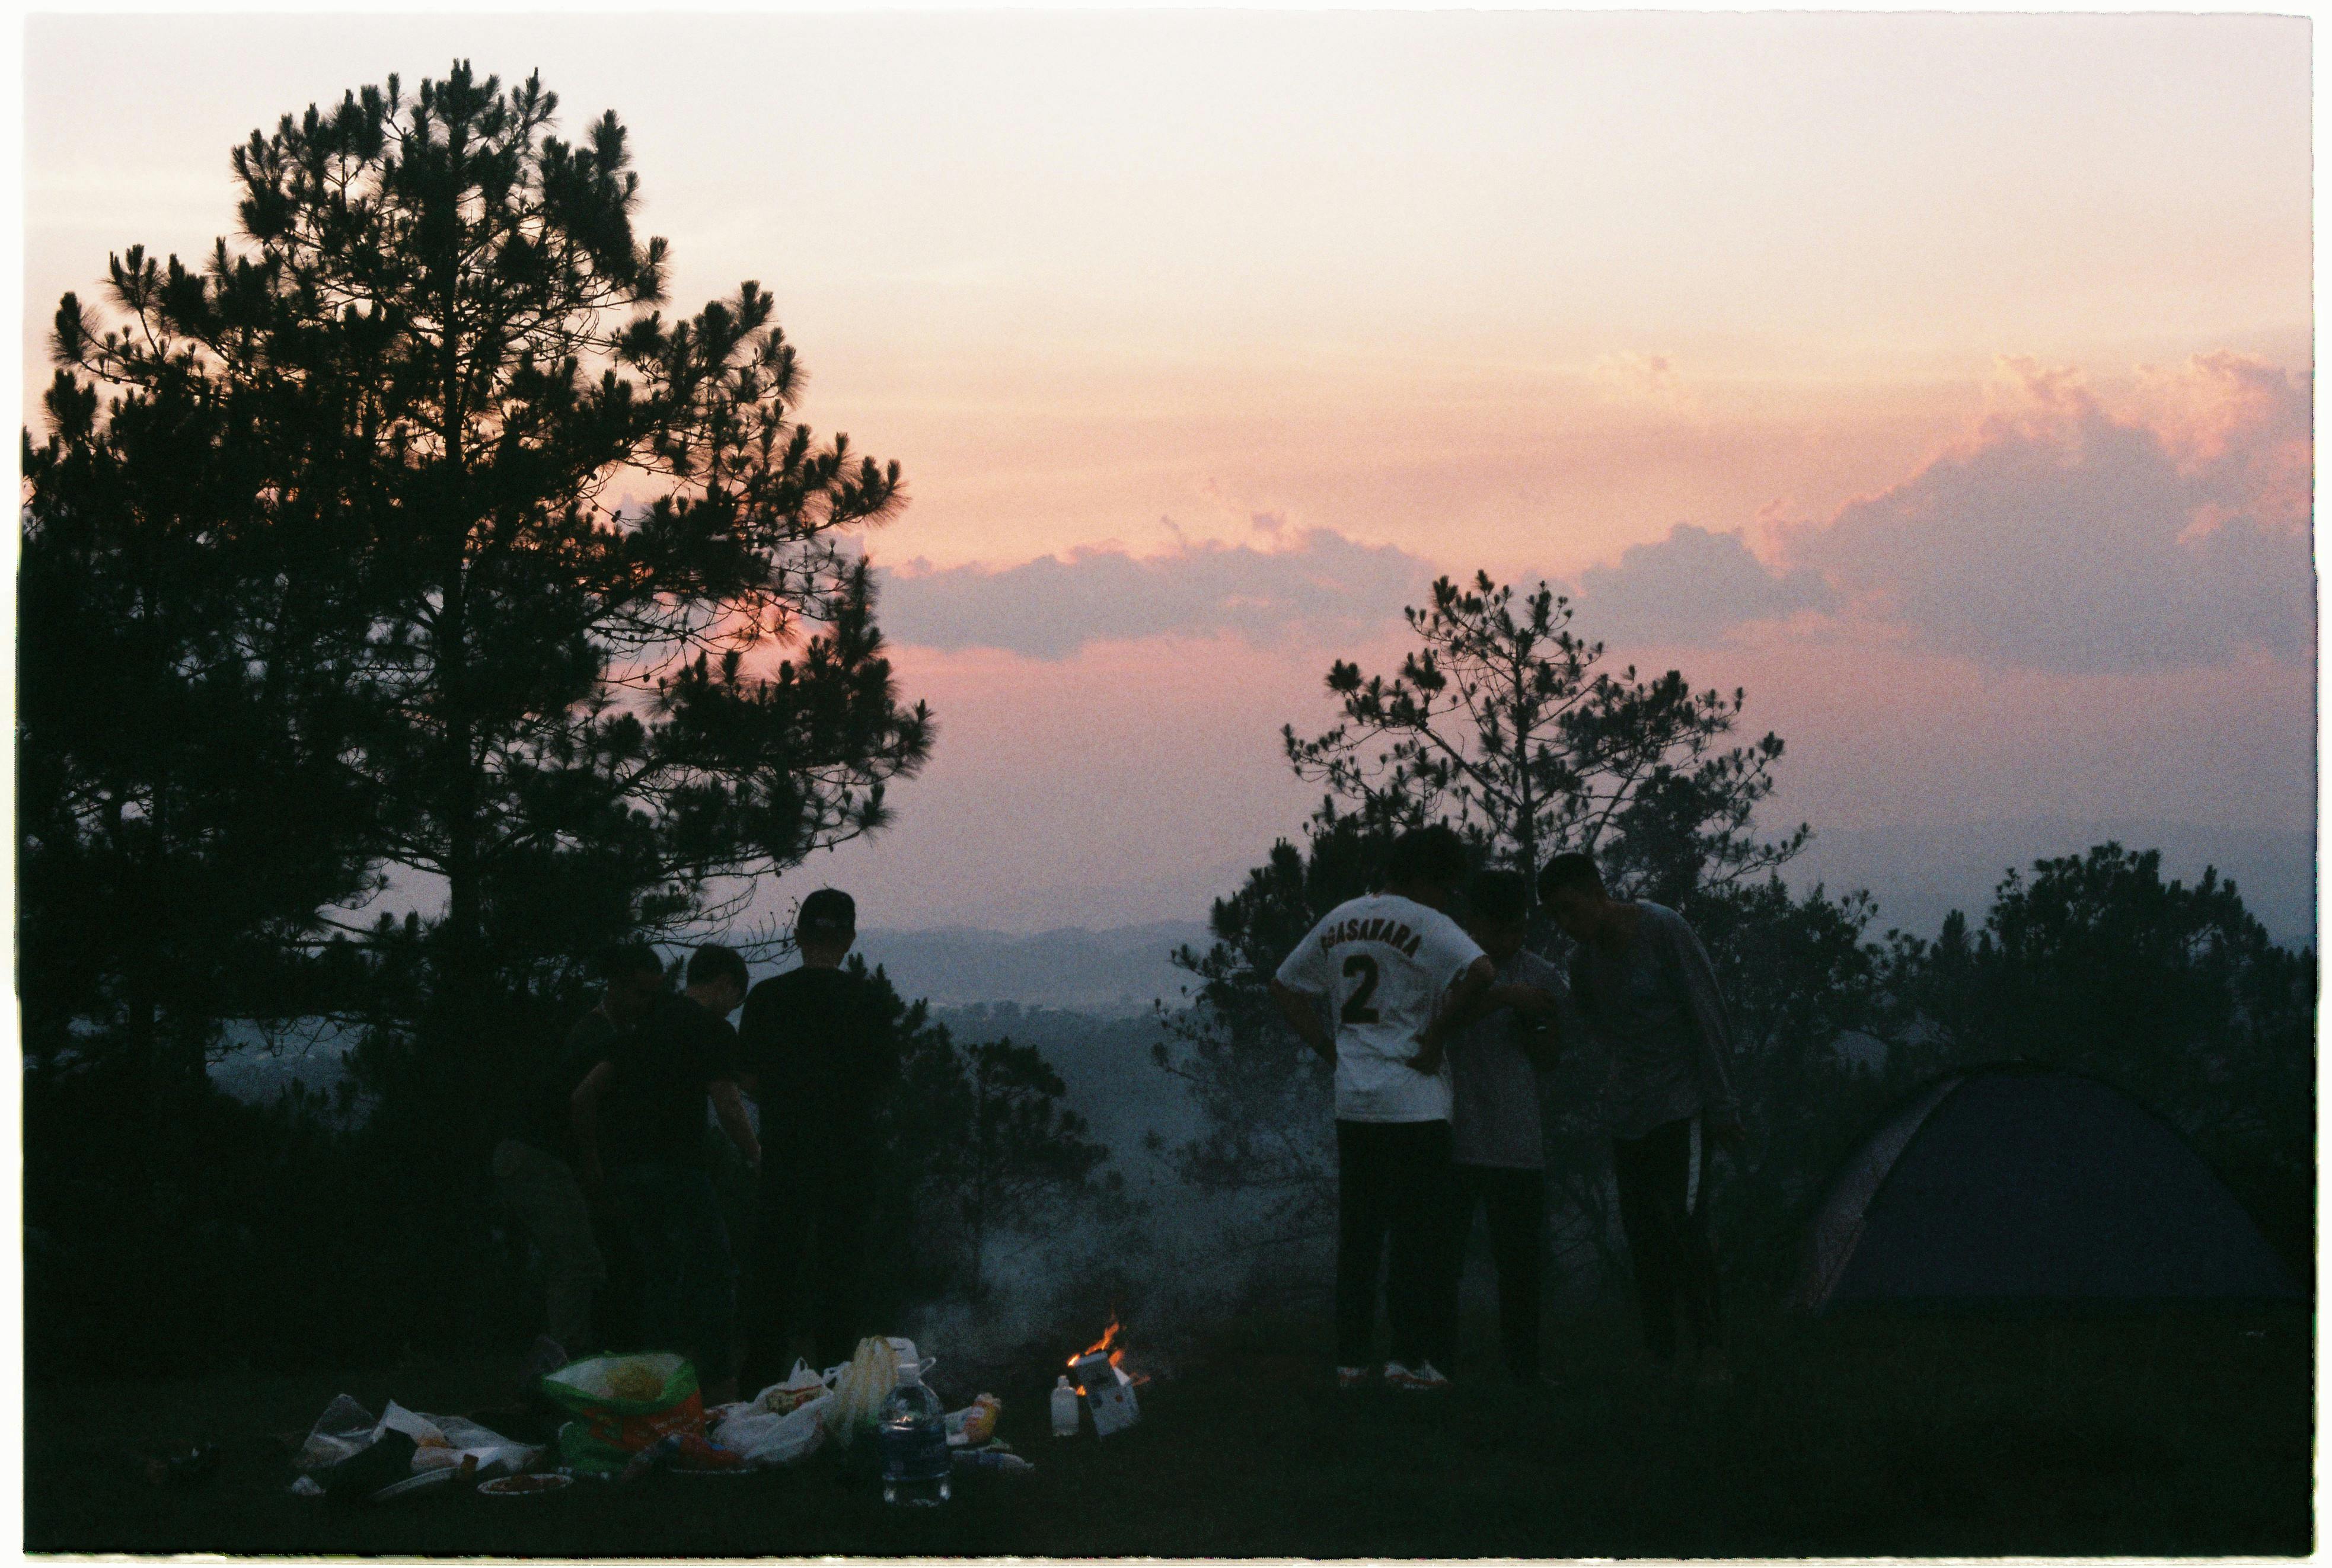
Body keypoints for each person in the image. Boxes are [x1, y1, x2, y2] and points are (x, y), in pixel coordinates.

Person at [1269, 825, 1496, 1393]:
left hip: (1356, 1102)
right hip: (1415, 1105)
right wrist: (1438, 1032)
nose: (1447, 899)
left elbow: (1285, 985)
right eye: (1445, 886)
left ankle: (1350, 1360)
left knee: (1361, 1236)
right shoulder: (1427, 922)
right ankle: (1407, 1358)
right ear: (1427, 879)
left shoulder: (1341, 918)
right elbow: (1481, 971)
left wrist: (1328, 1048)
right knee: (1418, 1238)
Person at [1537, 852, 1740, 1384]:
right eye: (1554, 915)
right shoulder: (1584, 965)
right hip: (1629, 1116)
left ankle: (1711, 1348)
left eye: (1569, 908)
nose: (1565, 923)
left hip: (1681, 1107)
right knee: (1643, 1236)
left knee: (1686, 1228)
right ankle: (1661, 1353)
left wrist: (1721, 1104)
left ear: (1597, 892)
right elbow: (1600, 1028)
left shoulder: (1663, 930)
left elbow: (1706, 1012)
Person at [572, 943, 761, 1405]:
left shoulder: (644, 1024)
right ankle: (718, 1381)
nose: (731, 1011)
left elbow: (584, 1093)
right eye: (734, 1001)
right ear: (724, 985)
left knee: (658, 1274)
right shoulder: (710, 1029)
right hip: (677, 1167)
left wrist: (594, 1166)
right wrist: (756, 1154)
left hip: (626, 1170)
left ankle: (649, 1385)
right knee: (714, 1270)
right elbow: (729, 1101)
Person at [738, 889, 897, 1388]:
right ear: (848, 938)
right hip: (851, 1154)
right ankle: (838, 1383)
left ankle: (761, 1384)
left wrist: (784, 1103)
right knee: (840, 1272)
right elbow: (885, 1080)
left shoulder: (767, 997)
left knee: (774, 1270)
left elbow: (745, 1075)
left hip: (786, 1151)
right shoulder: (869, 1001)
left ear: (798, 934)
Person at [492, 944, 667, 1356]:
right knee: (575, 1262)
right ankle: (568, 1366)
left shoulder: (606, 1032)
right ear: (615, 987)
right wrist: (592, 1166)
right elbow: (582, 1105)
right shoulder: (598, 1037)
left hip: (533, 1155)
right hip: (536, 1156)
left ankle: (572, 1360)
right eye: (641, 993)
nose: (646, 1004)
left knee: (579, 1260)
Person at [1447, 870, 1570, 1388]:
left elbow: (1548, 1059)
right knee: (1441, 1265)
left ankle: (1523, 1369)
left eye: (1517, 930)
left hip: (1516, 1143)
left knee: (1519, 1269)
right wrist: (1501, 998)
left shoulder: (1542, 976)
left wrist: (1532, 1020)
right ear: (1471, 924)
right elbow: (1438, 1027)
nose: (1508, 942)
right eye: (1497, 931)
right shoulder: (1447, 969)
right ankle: (1434, 1365)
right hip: (1452, 1141)